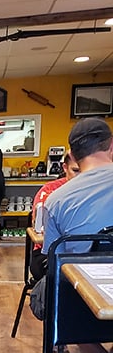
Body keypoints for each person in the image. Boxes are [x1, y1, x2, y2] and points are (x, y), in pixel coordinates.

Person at [42, 117, 113, 257]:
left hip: (83, 277)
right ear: (112, 145)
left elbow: (56, 262)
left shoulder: (55, 201)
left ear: (72, 156)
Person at [29, 151, 80, 281]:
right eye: (76, 171)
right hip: (46, 253)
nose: (81, 177)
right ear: (65, 168)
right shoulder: (50, 191)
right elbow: (40, 227)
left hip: (83, 252)